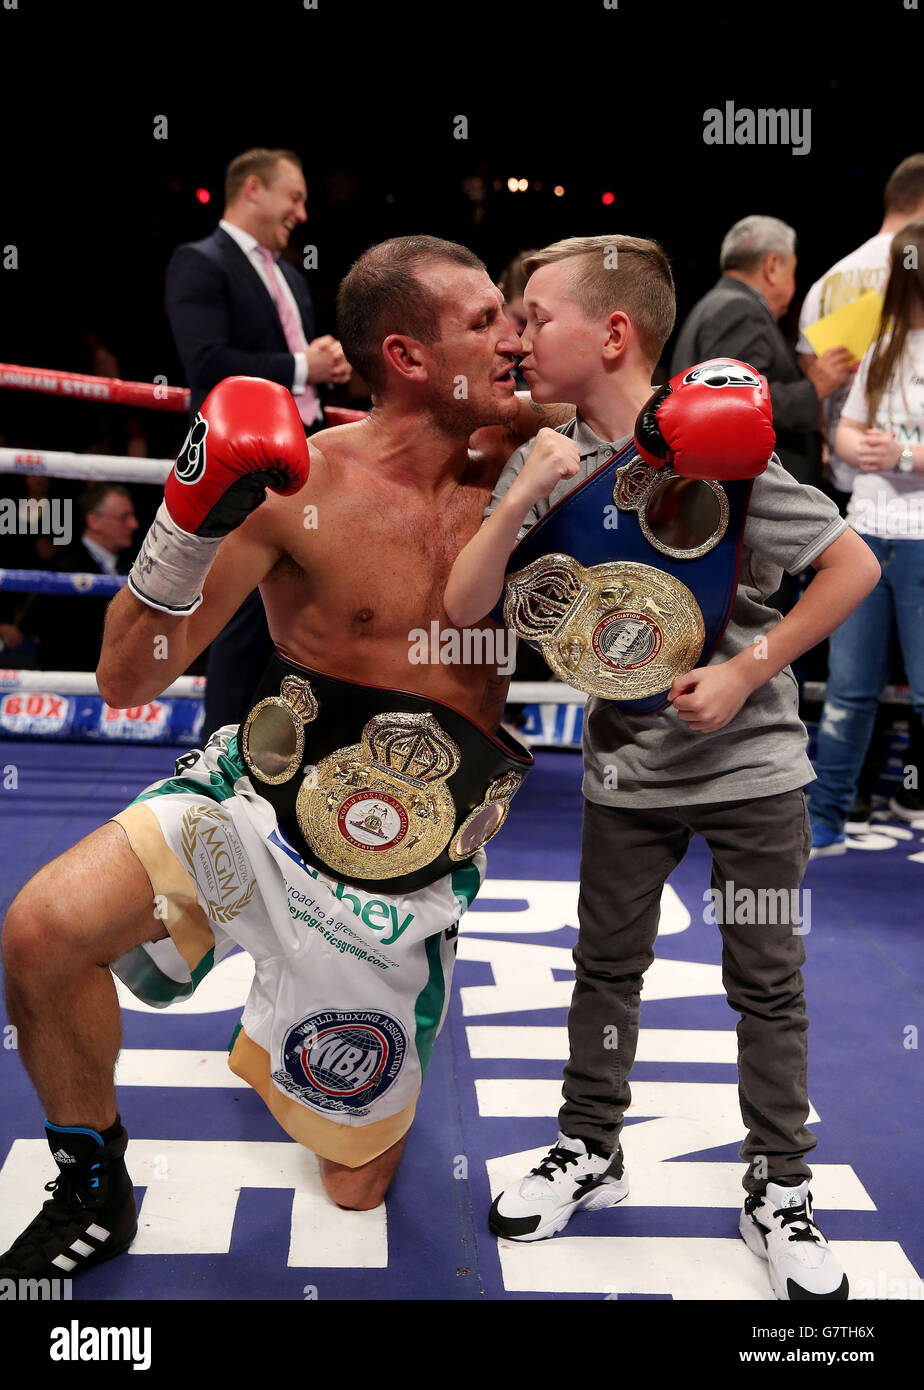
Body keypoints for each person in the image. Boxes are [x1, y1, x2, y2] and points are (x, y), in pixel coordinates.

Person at [0, 234, 575, 1284]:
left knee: (353, 1179)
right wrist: (185, 514)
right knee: (41, 930)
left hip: (395, 870)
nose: (516, 337)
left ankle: (310, 1026)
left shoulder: (539, 454)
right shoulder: (296, 484)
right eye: (486, 319)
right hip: (256, 802)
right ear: (406, 355)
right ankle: (89, 1177)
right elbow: (130, 679)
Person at [444, 233, 880, 1300]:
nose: (518, 337)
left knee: (767, 985)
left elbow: (851, 563)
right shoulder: (542, 455)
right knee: (605, 969)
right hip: (626, 769)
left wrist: (751, 669)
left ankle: (779, 1184)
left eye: (537, 317)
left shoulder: (715, 443)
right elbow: (461, 610)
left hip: (757, 767)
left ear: (614, 332)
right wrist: (517, 497)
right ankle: (590, 1147)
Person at [165, 147, 352, 738]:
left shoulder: (290, 275)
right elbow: (207, 364)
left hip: (309, 455)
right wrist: (303, 366)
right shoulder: (199, 261)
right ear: (253, 189)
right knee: (243, 612)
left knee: (305, 609)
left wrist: (324, 370)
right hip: (243, 466)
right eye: (293, 197)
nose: (301, 212)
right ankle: (215, 765)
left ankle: (293, 753)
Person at [797, 154, 924, 828]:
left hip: (921, 536)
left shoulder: (839, 285)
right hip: (868, 527)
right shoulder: (881, 349)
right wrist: (862, 447)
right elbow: (841, 430)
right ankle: (831, 813)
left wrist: (902, 451)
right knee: (848, 689)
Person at [671, 215, 854, 488]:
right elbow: (736, 401)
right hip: (753, 493)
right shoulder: (740, 309)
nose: (793, 287)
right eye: (792, 273)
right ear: (772, 266)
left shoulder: (713, 303)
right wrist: (814, 388)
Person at [26, 483, 139, 671]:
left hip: (123, 683)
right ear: (94, 521)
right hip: (79, 682)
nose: (134, 524)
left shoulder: (135, 566)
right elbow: (53, 642)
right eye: (124, 517)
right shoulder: (64, 572)